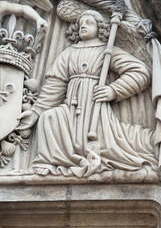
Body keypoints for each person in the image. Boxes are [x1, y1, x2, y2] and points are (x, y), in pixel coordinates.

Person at [31, 10, 154, 177]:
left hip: (94, 107)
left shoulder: (107, 50)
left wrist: (114, 90)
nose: (83, 25)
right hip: (71, 106)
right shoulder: (68, 53)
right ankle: (52, 160)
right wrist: (36, 111)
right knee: (48, 117)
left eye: (89, 22)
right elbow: (55, 84)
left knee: (103, 142)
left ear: (100, 28)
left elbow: (140, 72)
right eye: (81, 22)